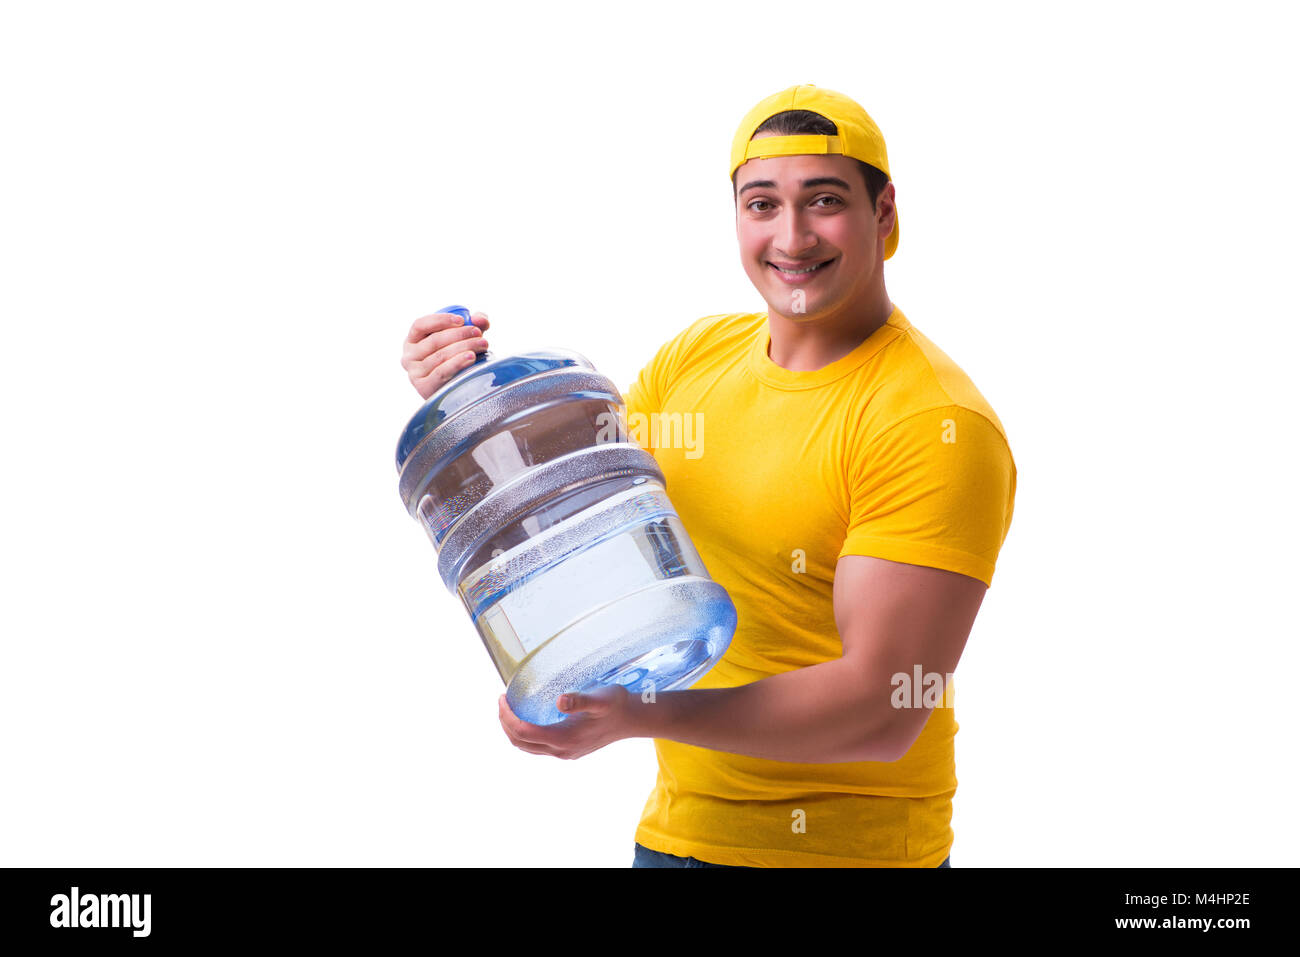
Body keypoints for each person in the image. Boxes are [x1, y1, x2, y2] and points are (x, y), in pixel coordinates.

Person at [400, 84, 1016, 868]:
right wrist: (465, 394)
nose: (792, 236)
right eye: (762, 204)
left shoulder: (932, 423)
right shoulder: (698, 358)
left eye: (823, 201)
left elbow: (881, 709)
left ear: (884, 213)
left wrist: (638, 712)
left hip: (845, 855)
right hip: (676, 838)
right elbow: (579, 488)